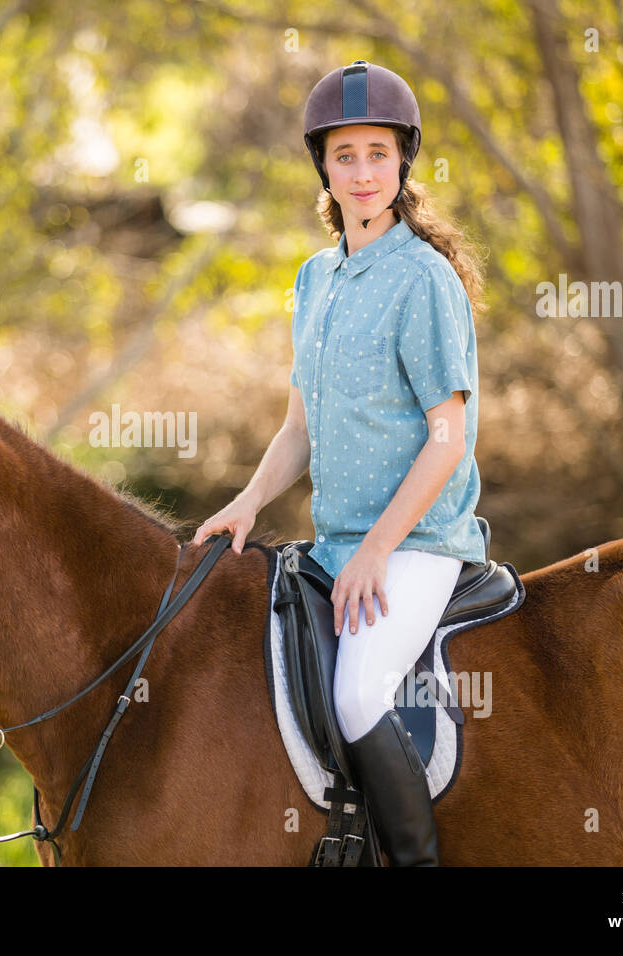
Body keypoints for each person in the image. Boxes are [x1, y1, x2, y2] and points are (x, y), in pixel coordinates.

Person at [192, 60, 488, 866]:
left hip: (417, 543)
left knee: (358, 692)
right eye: (346, 155)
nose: (363, 173)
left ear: (404, 163)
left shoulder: (425, 279)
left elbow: (446, 439)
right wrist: (249, 502)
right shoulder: (315, 278)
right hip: (332, 545)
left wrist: (378, 551)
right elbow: (299, 429)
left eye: (379, 155)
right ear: (322, 164)